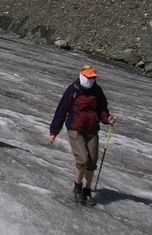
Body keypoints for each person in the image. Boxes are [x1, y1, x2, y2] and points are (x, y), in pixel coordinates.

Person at [49, 65, 117, 206]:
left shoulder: (97, 91)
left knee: (91, 163)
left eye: (93, 77)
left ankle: (87, 190)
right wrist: (54, 131)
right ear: (82, 75)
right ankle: (77, 187)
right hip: (75, 129)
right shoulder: (73, 90)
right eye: (89, 77)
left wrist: (107, 118)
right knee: (83, 160)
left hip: (92, 130)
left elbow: (102, 110)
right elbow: (62, 110)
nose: (91, 80)